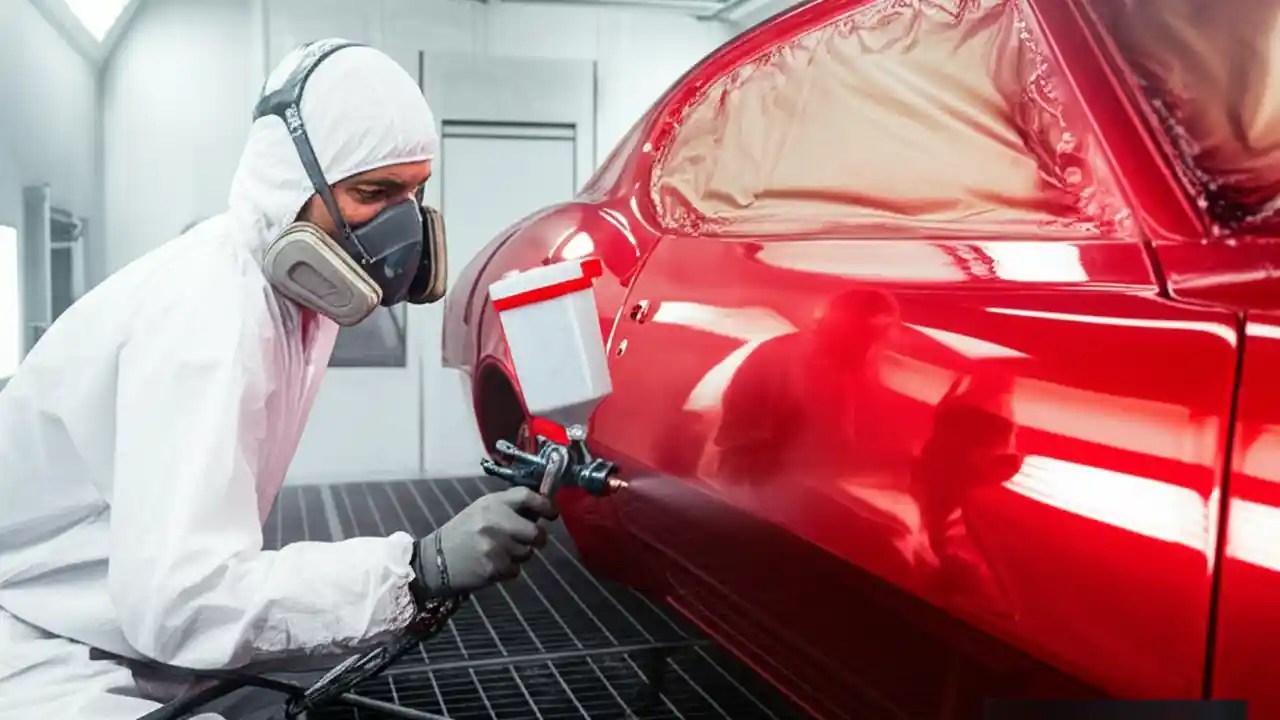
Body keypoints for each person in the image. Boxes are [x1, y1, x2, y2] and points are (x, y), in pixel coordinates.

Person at [0, 40, 555, 719]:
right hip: (36, 639)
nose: (401, 228)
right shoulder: (207, 320)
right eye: (372, 194)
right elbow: (183, 600)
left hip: (118, 621)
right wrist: (418, 567)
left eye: (413, 194)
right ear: (294, 187)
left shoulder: (290, 302)